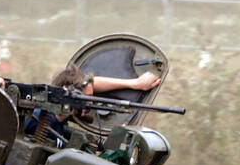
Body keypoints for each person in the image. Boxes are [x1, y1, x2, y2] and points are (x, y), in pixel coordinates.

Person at [24, 63, 161, 148]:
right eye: (87, 99)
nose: (91, 104)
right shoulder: (37, 118)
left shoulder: (59, 124)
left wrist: (135, 84)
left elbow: (91, 84)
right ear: (70, 96)